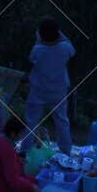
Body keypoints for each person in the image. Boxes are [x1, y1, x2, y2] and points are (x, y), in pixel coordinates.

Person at [24, 18, 75, 154]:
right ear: (57, 34)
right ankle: (66, 150)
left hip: (38, 91)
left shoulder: (37, 50)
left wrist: (39, 39)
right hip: (58, 91)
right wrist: (59, 34)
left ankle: (25, 150)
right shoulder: (64, 48)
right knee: (62, 121)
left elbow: (31, 59)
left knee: (31, 121)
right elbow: (71, 47)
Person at [0, 116, 39, 192]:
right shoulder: (8, 147)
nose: (22, 136)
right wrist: (32, 187)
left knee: (34, 180)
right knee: (32, 183)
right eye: (21, 133)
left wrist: (17, 159)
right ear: (12, 133)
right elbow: (13, 180)